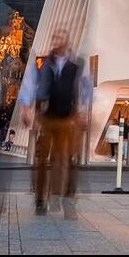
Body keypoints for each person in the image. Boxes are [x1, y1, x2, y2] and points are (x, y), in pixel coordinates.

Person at [27, 38, 90, 214]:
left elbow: (83, 88)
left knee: (62, 159)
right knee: (42, 159)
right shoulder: (45, 63)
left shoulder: (75, 66)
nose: (58, 42)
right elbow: (36, 87)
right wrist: (33, 111)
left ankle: (57, 195)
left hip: (66, 119)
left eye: (62, 38)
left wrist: (82, 112)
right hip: (47, 118)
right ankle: (41, 197)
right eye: (55, 38)